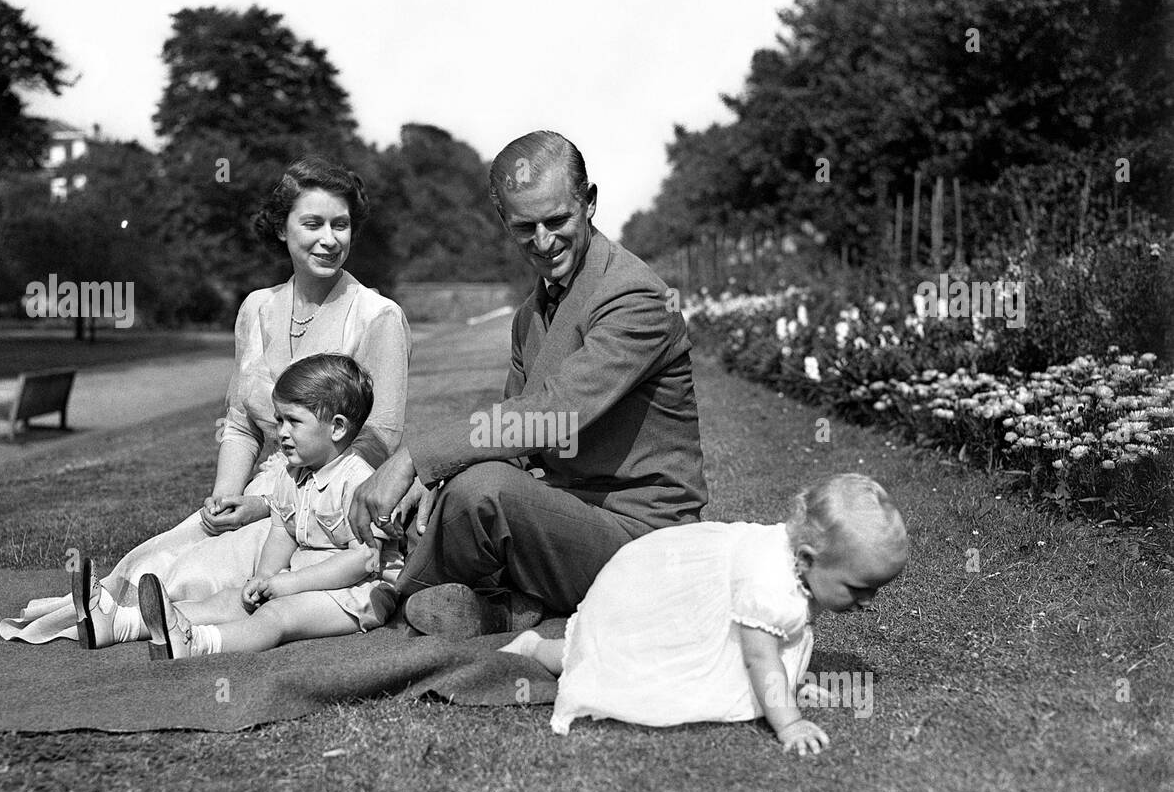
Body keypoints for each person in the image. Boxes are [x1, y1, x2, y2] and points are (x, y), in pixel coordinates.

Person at [0, 156, 411, 647]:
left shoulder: (376, 315)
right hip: (259, 490)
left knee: (195, 574)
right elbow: (240, 422)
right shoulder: (256, 309)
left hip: (326, 506)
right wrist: (225, 498)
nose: (330, 238)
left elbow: (379, 438)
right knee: (156, 556)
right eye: (313, 223)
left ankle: (134, 624)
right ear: (282, 229)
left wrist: (266, 505)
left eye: (341, 224)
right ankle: (110, 614)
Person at [349, 130, 708, 637]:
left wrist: (415, 458)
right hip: (565, 512)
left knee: (483, 490)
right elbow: (512, 442)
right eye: (525, 227)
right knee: (453, 493)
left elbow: (554, 414)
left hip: (645, 538)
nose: (544, 242)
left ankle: (396, 598)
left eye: (557, 220)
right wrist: (436, 481)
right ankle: (486, 603)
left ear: (590, 203)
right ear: (504, 222)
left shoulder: (636, 297)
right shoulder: (529, 315)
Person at [501, 474, 910, 753]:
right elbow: (760, 657)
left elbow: (786, 639)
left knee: (625, 652)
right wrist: (789, 722)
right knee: (621, 657)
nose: (870, 601)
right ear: (807, 558)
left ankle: (546, 648)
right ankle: (537, 649)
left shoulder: (803, 571)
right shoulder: (770, 585)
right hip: (660, 599)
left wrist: (791, 681)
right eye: (858, 588)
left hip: (696, 603)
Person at [134, 354, 401, 659]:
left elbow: (364, 559)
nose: (282, 433)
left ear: (337, 428)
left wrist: (293, 583)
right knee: (232, 599)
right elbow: (281, 531)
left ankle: (197, 643)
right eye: (279, 419)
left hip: (358, 594)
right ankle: (123, 622)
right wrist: (264, 576)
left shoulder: (359, 481)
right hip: (302, 579)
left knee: (276, 616)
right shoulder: (291, 474)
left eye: (294, 421)